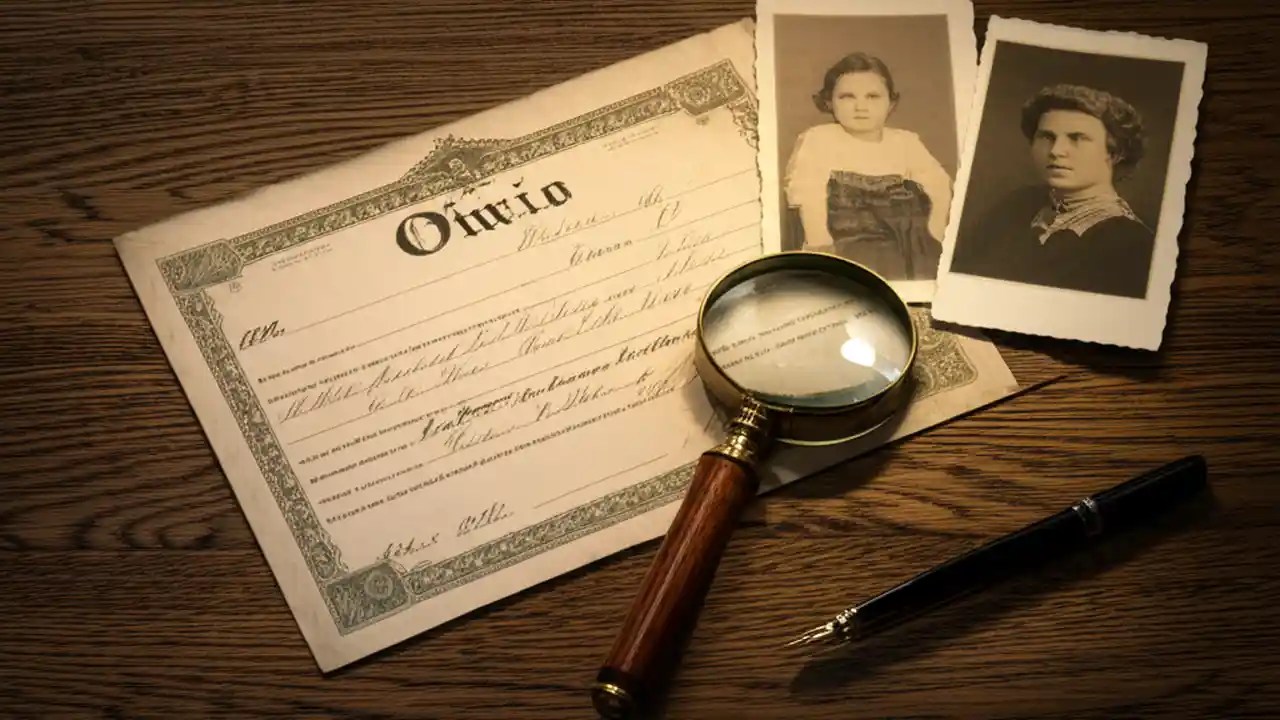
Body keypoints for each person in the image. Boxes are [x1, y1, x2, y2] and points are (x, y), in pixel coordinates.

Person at [949, 83, 1155, 299]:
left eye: (1077, 138)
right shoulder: (1014, 207)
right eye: (1046, 137)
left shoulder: (1132, 246)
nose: (1056, 151)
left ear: (1115, 153)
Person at [783, 52, 953, 281]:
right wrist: (819, 243)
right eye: (847, 97)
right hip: (848, 244)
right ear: (828, 101)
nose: (860, 106)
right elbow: (807, 191)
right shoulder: (820, 138)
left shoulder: (905, 141)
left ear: (891, 103)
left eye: (873, 96)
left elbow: (939, 184)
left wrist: (936, 232)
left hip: (909, 246)